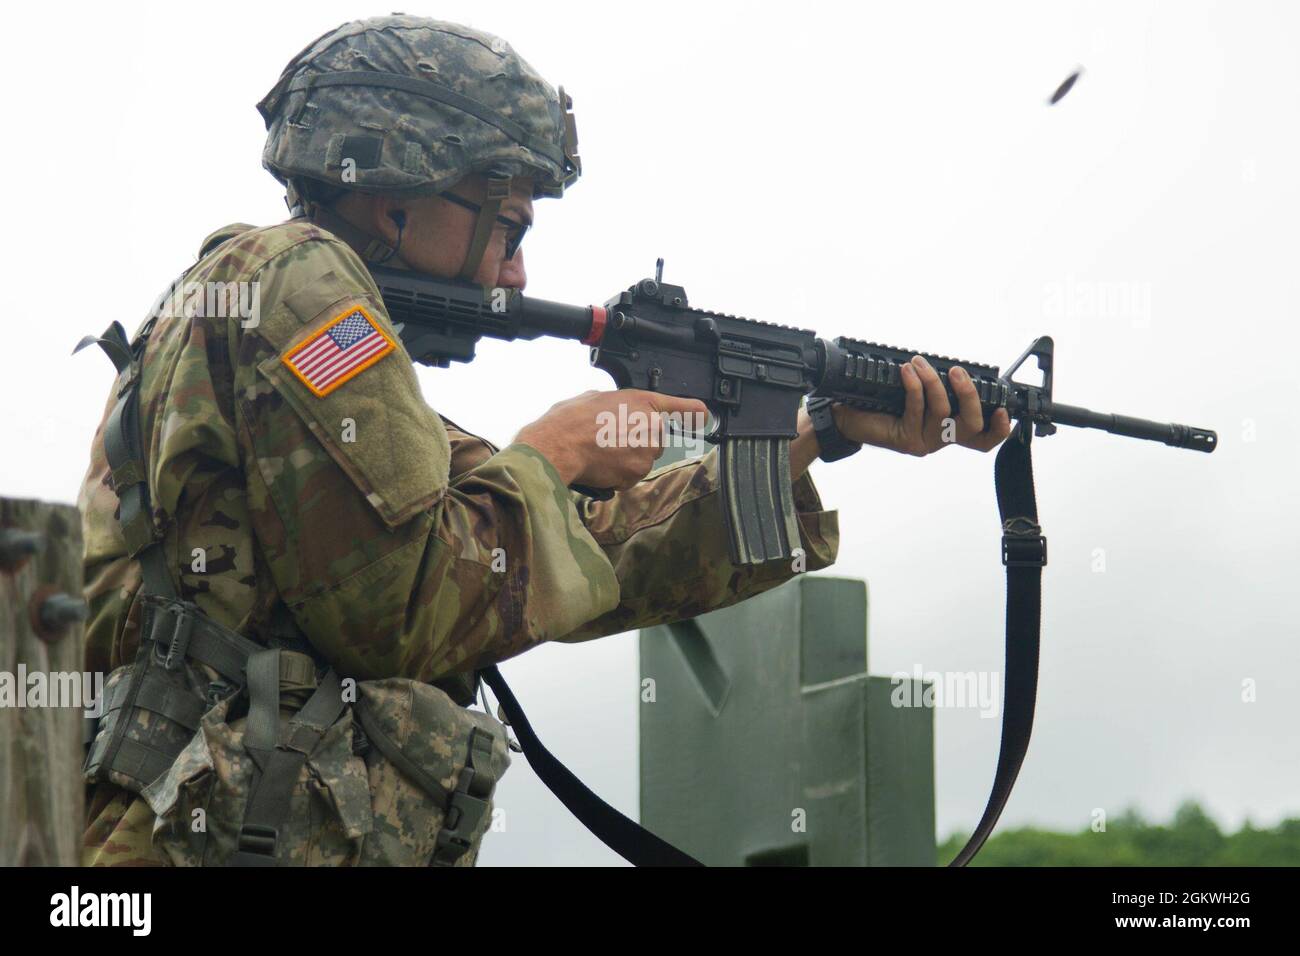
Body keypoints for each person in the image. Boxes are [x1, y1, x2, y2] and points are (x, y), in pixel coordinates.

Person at [78, 14, 1010, 867]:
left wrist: (819, 431)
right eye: (508, 225)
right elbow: (401, 607)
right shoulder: (302, 280)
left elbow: (564, 554)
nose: (517, 270)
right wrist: (555, 449)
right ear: (399, 187)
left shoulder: (252, 318)